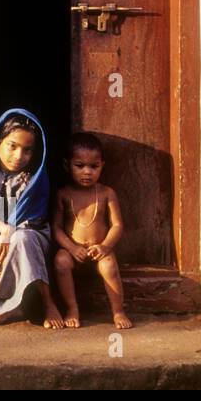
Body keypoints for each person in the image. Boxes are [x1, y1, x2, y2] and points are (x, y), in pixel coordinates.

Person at [0, 108, 65, 328]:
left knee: (22, 238)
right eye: (13, 146)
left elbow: (32, 219)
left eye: (27, 150)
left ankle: (46, 303)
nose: (19, 156)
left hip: (30, 237)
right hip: (3, 234)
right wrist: (3, 228)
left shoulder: (35, 178)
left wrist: (10, 234)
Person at [52, 132, 133, 329]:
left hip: (99, 250)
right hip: (73, 252)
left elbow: (117, 225)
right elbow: (56, 228)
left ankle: (118, 310)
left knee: (109, 267)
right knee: (60, 261)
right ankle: (72, 308)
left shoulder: (106, 193)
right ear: (67, 165)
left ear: (102, 166)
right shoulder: (63, 194)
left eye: (94, 166)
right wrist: (71, 248)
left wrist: (105, 246)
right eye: (79, 166)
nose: (87, 172)